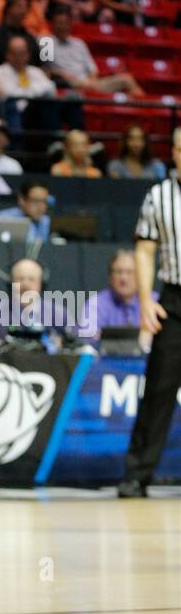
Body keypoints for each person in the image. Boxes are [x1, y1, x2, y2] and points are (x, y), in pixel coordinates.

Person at [119, 130, 181, 495]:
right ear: (172, 153)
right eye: (178, 148)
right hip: (173, 299)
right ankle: (136, 474)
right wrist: (145, 299)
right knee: (158, 391)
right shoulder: (158, 196)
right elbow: (144, 250)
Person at [0, 178, 51, 243]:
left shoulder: (45, 221)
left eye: (44, 201)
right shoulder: (3, 218)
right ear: (22, 200)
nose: (41, 207)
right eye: (36, 201)